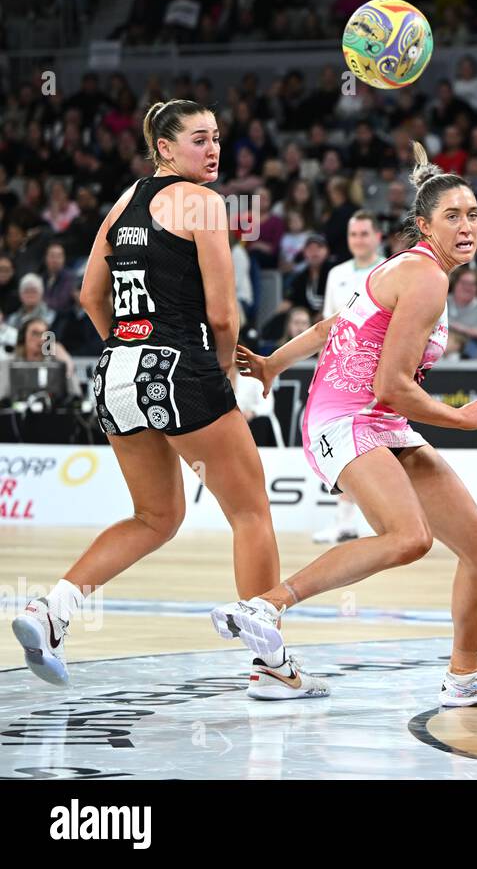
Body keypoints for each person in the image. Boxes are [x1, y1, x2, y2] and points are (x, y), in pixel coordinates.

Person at [11, 98, 327, 699]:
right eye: (200, 140)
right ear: (165, 147)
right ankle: (271, 667)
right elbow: (223, 314)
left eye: (217, 139)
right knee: (250, 512)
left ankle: (53, 608)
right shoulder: (205, 203)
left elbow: (88, 297)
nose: (213, 150)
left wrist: (127, 349)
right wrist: (227, 376)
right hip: (183, 368)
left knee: (156, 518)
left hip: (115, 372)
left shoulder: (121, 204)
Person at [212, 147, 477, 709]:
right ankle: (266, 606)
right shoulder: (428, 279)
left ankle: (466, 679)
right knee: (410, 538)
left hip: (376, 419)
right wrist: (459, 416)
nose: (467, 227)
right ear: (424, 226)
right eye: (452, 216)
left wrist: (271, 363)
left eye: (474, 215)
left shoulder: (398, 268)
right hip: (347, 417)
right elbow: (391, 385)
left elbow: (330, 326)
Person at [312, 210, 385, 544]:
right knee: (344, 446)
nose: (358, 240)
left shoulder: (389, 271)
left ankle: (367, 521)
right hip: (337, 375)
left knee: (369, 446)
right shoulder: (337, 273)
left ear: (377, 237)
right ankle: (345, 522)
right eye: (354, 234)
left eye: (364, 234)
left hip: (376, 373)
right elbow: (328, 325)